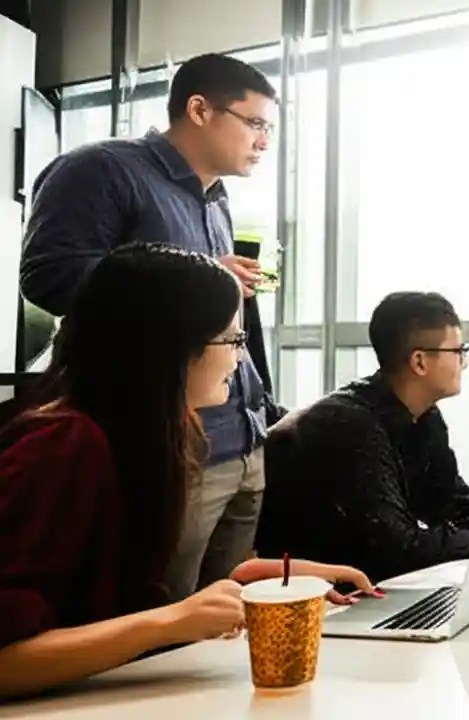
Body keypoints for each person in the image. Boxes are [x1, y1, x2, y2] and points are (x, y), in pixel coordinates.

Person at [0, 245, 372, 700]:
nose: (240, 359)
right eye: (232, 341)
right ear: (171, 345)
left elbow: (118, 593)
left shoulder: (156, 433)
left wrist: (248, 582)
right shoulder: (61, 446)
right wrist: (170, 621)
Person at [19, 53, 284, 601]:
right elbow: (49, 276)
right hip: (165, 440)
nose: (264, 141)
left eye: (270, 129)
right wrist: (199, 275)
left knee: (224, 622)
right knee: (156, 619)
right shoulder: (103, 170)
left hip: (239, 435)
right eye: (255, 123)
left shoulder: (216, 199)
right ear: (199, 109)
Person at [256, 292, 469, 583]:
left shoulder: (424, 415)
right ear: (420, 361)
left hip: (364, 575)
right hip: (315, 593)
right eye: (458, 351)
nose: (463, 362)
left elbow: (450, 503)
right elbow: (398, 548)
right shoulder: (351, 425)